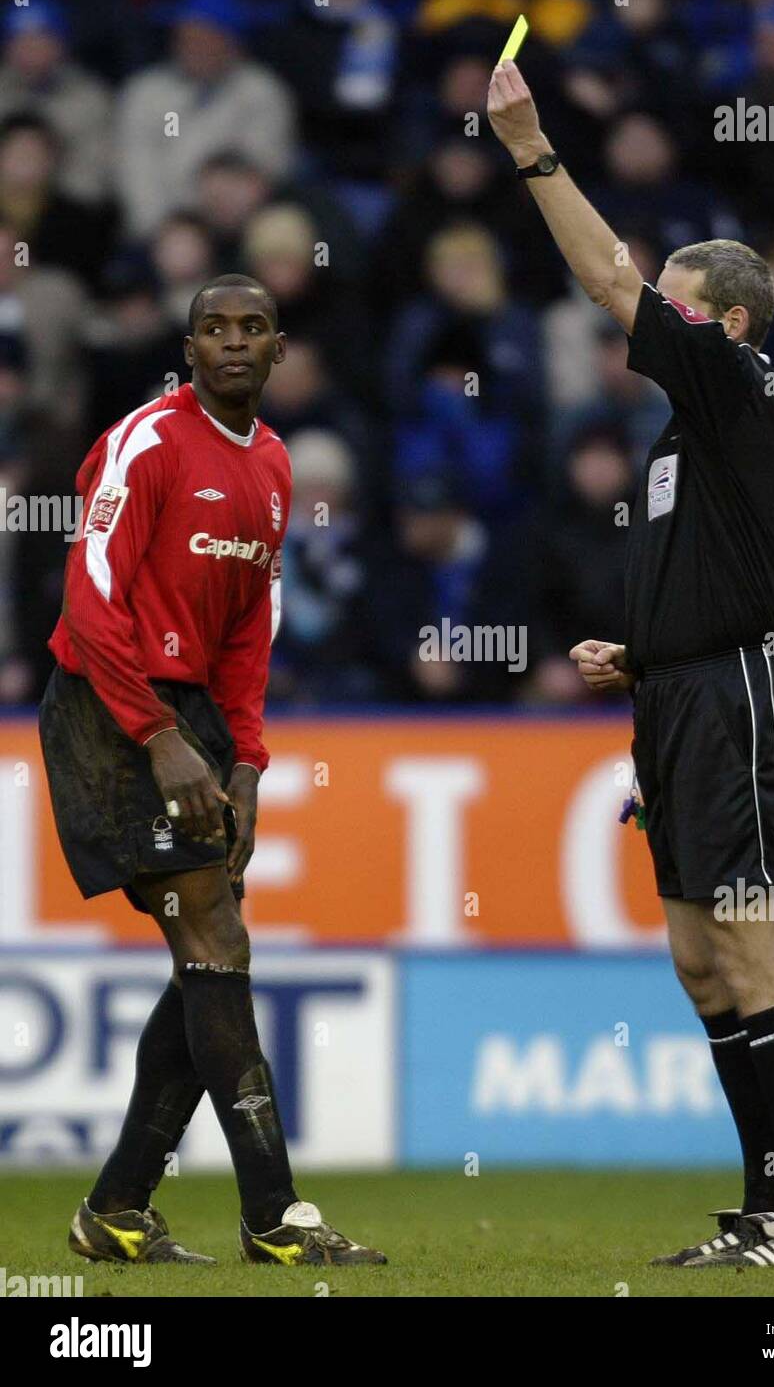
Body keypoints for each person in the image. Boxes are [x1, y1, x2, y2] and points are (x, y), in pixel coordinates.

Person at [488, 59, 774, 1269]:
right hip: (677, 696)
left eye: (673, 304)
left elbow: (602, 273)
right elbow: (717, 568)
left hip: (738, 695)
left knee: (754, 945)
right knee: (700, 962)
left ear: (725, 321)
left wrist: (532, 147)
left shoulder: (742, 384)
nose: (646, 318)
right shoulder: (680, 442)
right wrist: (634, 652)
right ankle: (765, 1207)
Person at [38, 273, 385, 1269]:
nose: (232, 343)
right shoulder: (145, 441)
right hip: (110, 708)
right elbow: (92, 596)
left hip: (190, 719)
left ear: (279, 350)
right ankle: (274, 1216)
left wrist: (245, 763)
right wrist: (156, 735)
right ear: (188, 349)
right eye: (212, 329)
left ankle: (115, 1211)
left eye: (252, 329)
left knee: (205, 960)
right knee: (215, 936)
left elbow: (247, 633)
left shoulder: (272, 467)